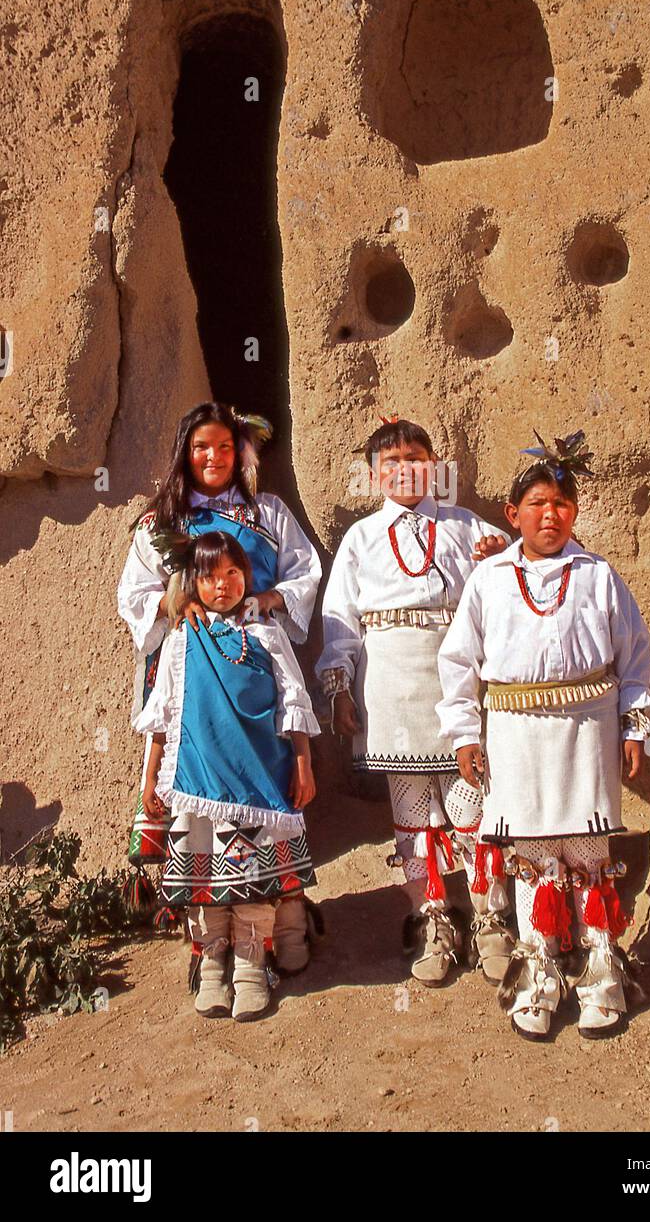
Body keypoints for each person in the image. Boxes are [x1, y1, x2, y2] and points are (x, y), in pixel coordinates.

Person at [436, 431, 650, 1040]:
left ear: (575, 512)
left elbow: (633, 658)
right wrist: (464, 733)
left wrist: (634, 726)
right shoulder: (487, 581)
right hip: (513, 737)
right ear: (513, 515)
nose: (549, 515)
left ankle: (602, 973)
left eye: (561, 504)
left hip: (587, 732)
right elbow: (458, 663)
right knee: (533, 860)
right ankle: (537, 975)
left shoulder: (599, 577)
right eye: (536, 504)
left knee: (589, 860)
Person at [118, 401, 322, 973]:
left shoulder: (270, 512)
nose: (214, 457)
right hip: (189, 683)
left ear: (242, 453)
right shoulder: (162, 522)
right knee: (198, 812)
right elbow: (134, 595)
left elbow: (304, 572)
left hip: (253, 679)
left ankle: (286, 928)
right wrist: (173, 602)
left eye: (226, 447)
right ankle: (208, 947)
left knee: (267, 795)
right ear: (186, 452)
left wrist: (266, 600)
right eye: (202, 447)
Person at [315, 416, 513, 986]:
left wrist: (498, 557)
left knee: (471, 810)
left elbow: (503, 591)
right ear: (374, 475)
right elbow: (341, 621)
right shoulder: (360, 539)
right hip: (389, 687)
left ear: (434, 465)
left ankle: (490, 917)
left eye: (414, 458)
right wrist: (339, 690)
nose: (404, 470)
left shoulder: (463, 525)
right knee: (414, 816)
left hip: (452, 681)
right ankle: (430, 918)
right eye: (391, 462)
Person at [136, 530, 318, 1021]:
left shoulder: (267, 634)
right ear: (193, 583)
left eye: (232, 574)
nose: (222, 585)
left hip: (258, 781)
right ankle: (213, 963)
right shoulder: (180, 640)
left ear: (248, 577)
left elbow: (293, 704)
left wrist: (302, 763)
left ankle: (251, 964)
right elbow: (162, 716)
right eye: (210, 577)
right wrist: (150, 780)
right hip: (199, 786)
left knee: (254, 878)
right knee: (207, 886)